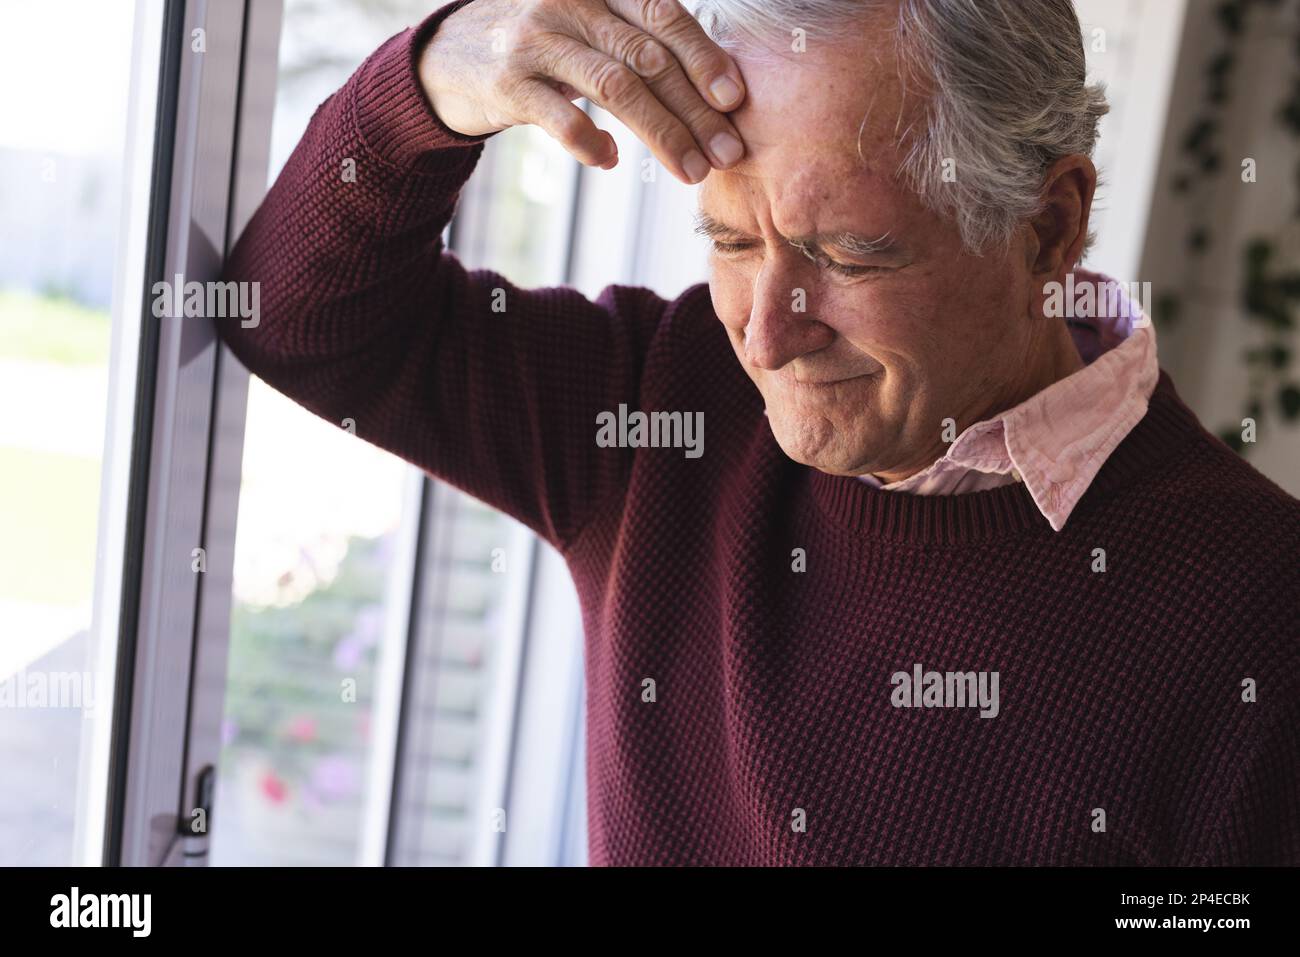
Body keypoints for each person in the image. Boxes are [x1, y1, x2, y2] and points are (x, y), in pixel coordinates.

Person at [217, 0, 1299, 865]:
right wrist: (431, 82)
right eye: (731, 239)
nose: (768, 335)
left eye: (848, 254)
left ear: (1049, 226)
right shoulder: (664, 404)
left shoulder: (1261, 617)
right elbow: (297, 320)